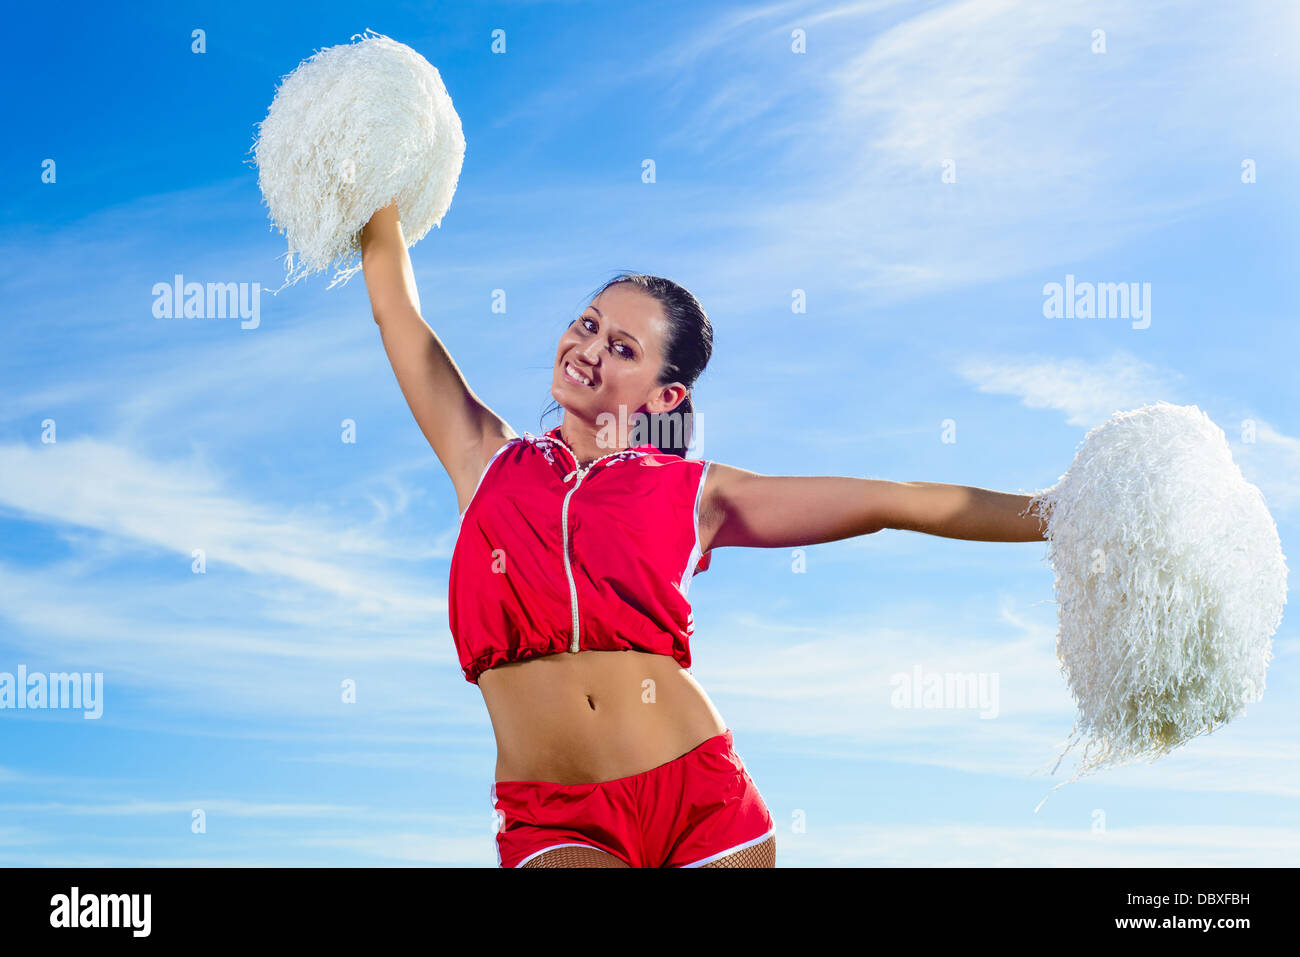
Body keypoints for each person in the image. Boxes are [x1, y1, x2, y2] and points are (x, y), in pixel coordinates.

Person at [359, 201, 1048, 868]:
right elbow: (397, 310)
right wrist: (377, 176)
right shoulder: (483, 457)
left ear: (665, 396)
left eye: (622, 347)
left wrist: (1057, 515)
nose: (589, 350)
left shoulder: (696, 494)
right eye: (587, 324)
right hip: (554, 814)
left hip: (702, 806)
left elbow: (900, 502)